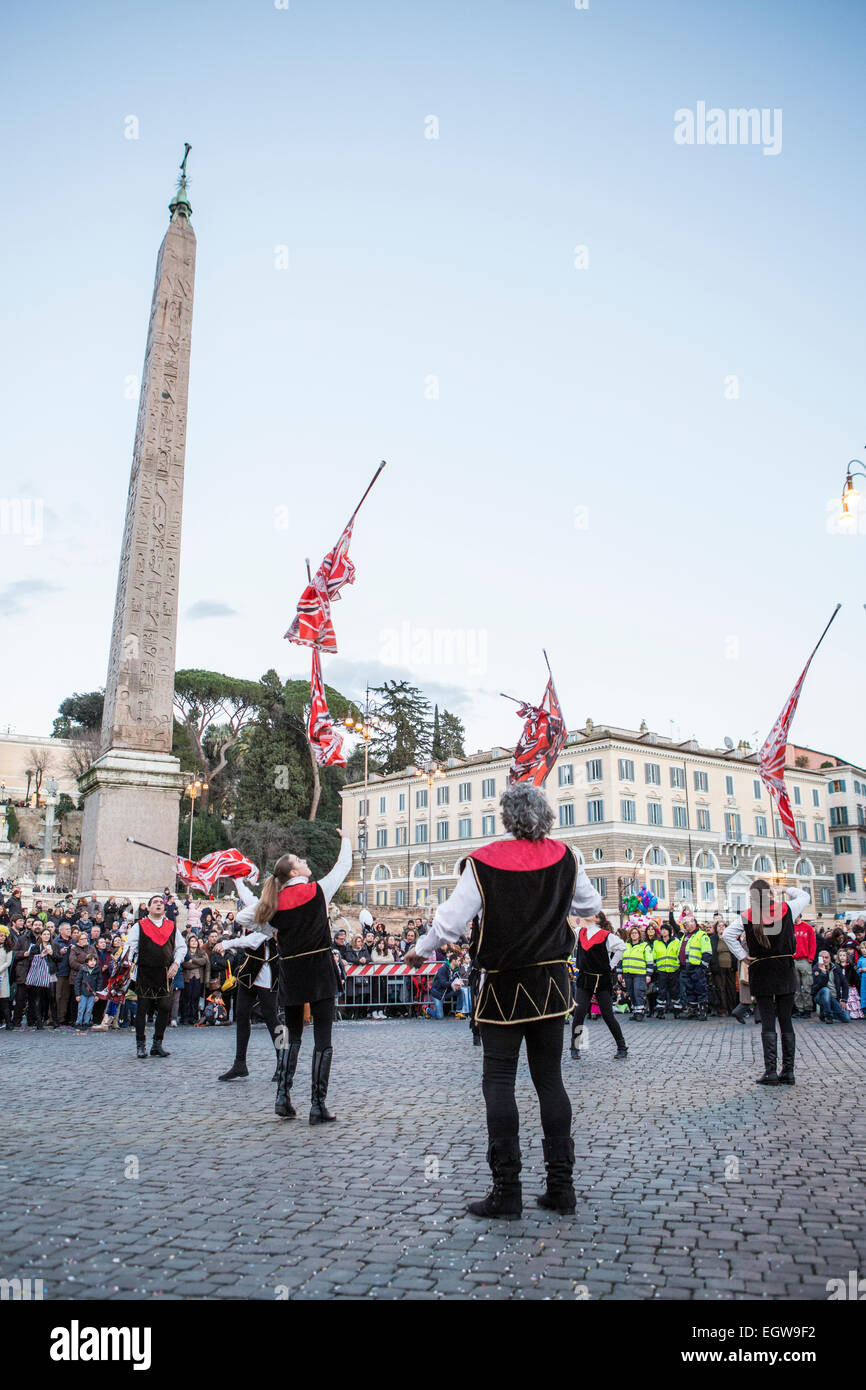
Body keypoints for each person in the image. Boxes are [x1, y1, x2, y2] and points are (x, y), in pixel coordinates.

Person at [405, 783, 601, 1220]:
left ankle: (507, 1192)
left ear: (507, 817)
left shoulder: (483, 862)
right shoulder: (569, 857)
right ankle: (561, 1187)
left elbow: (450, 924)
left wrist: (421, 948)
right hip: (551, 983)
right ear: (546, 816)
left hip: (502, 988)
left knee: (498, 1081)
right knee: (550, 1080)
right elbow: (591, 904)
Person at [254, 830, 352, 1123]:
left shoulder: (273, 903)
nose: (305, 860)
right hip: (320, 969)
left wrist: (272, 932)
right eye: (299, 860)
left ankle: (282, 1095)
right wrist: (346, 839)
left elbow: (252, 921)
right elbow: (343, 865)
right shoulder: (318, 890)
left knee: (291, 1034)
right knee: (323, 1038)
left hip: (292, 972)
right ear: (294, 871)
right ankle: (317, 1105)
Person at [723, 879, 810, 1085]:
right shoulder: (787, 908)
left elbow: (728, 934)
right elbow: (805, 896)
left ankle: (770, 1072)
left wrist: (743, 955)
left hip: (761, 969)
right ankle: (788, 1072)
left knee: (768, 1021)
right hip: (784, 968)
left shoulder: (747, 915)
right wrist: (785, 889)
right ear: (769, 893)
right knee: (786, 1020)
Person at [214, 878, 281, 1082]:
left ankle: (284, 1060)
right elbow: (247, 897)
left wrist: (228, 943)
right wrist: (237, 879)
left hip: (269, 969)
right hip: (251, 969)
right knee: (242, 1014)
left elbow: (255, 939)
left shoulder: (278, 915)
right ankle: (240, 1063)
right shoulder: (261, 906)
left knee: (272, 1017)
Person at [122, 895, 188, 1058]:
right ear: (149, 908)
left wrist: (176, 963)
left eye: (161, 902)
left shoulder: (171, 926)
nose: (159, 904)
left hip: (165, 973)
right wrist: (127, 965)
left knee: (165, 1007)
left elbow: (181, 947)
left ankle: (157, 1044)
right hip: (145, 972)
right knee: (142, 1009)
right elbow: (129, 947)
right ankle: (140, 1044)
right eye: (155, 902)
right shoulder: (140, 926)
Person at [570, 911, 627, 1060]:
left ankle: (622, 1047)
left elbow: (622, 947)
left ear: (597, 918)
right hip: (584, 978)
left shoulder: (606, 935)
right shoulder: (579, 931)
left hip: (602, 979)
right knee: (579, 1012)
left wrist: (611, 965)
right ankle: (575, 1047)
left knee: (607, 1014)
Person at [678, 910, 712, 1020]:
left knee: (700, 989)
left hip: (696, 967)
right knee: (689, 990)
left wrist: (702, 967)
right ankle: (692, 1010)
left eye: (686, 924)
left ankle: (703, 1012)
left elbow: (707, 953)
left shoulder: (702, 935)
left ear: (693, 923)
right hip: (685, 968)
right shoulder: (685, 936)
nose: (685, 926)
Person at [621, 926, 652, 1021]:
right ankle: (635, 1011)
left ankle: (640, 1013)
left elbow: (650, 961)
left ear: (639, 935)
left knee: (638, 992)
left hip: (640, 974)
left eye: (636, 933)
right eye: (632, 933)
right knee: (631, 993)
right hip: (628, 973)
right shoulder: (625, 945)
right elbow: (620, 960)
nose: (634, 935)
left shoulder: (645, 946)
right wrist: (619, 973)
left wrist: (648, 975)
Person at [811, 950, 849, 1024]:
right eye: (822, 958)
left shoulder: (836, 968)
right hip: (820, 996)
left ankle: (825, 1012)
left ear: (830, 959)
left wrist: (844, 1000)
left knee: (846, 1018)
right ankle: (828, 1015)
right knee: (826, 990)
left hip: (834, 998)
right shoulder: (816, 968)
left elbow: (845, 984)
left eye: (826, 957)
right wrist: (824, 973)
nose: (824, 959)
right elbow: (818, 986)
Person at [793, 915, 817, 1018]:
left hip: (804, 959)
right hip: (793, 960)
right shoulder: (790, 927)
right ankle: (800, 1009)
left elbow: (812, 943)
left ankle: (808, 1008)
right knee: (796, 988)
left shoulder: (807, 928)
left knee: (807, 986)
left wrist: (810, 957)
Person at [74, 952, 102, 1032]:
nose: (93, 962)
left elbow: (99, 983)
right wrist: (77, 994)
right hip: (83, 992)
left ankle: (86, 1022)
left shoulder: (97, 970)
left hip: (92, 993)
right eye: (91, 961)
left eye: (94, 960)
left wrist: (97, 994)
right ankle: (79, 1022)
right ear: (87, 962)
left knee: (89, 1008)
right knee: (81, 1008)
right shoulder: (83, 969)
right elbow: (78, 982)